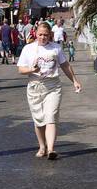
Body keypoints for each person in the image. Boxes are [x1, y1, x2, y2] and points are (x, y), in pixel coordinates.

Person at [17, 20, 81, 160]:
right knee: (39, 120)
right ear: (36, 34)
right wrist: (31, 69)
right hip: (35, 86)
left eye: (45, 35)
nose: (43, 37)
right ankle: (42, 146)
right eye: (40, 34)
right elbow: (20, 69)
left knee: (51, 117)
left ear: (50, 35)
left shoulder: (55, 48)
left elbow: (65, 65)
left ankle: (51, 149)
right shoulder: (28, 49)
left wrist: (75, 81)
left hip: (53, 86)